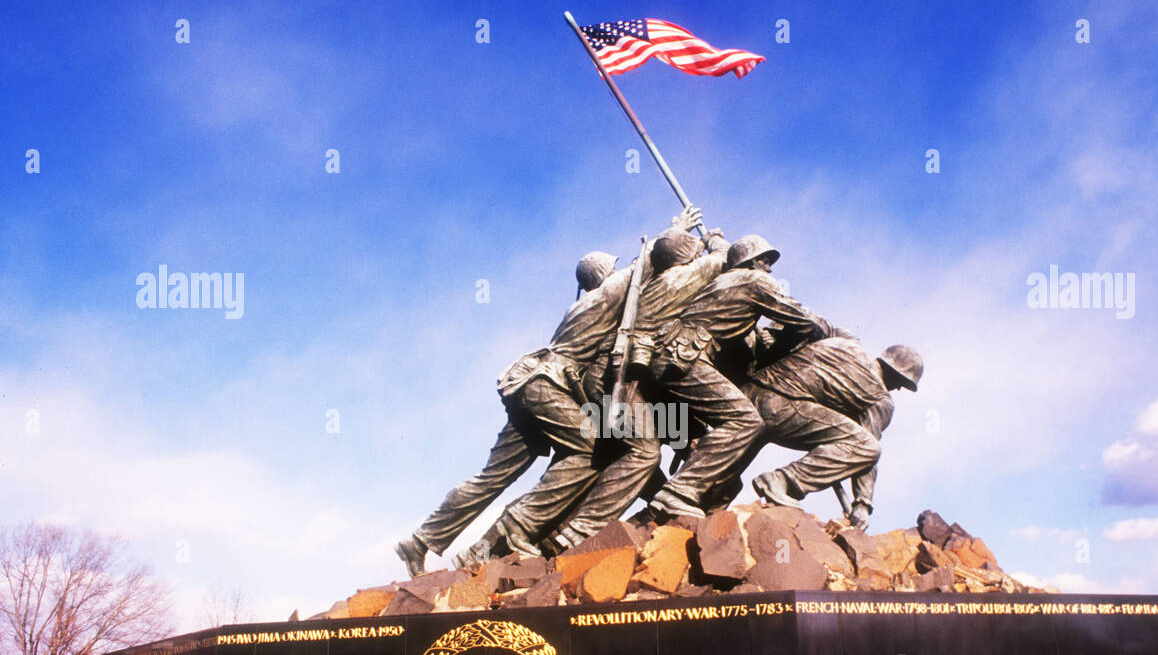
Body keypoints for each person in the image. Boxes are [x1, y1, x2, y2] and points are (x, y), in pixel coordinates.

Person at [394, 207, 702, 575]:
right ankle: (519, 526)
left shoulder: (582, 304)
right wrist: (675, 231)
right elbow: (645, 266)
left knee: (492, 477)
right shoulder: (607, 294)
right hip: (545, 384)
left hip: (526, 383)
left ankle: (421, 540)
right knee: (590, 448)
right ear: (605, 275)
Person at [641, 234, 844, 519]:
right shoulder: (756, 281)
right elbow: (803, 321)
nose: (770, 269)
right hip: (684, 358)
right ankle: (679, 492)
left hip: (674, 355)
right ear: (752, 262)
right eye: (765, 261)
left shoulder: (723, 280)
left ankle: (684, 501)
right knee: (746, 421)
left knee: (722, 435)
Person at [745, 339, 923, 530]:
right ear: (896, 373)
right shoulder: (879, 397)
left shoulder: (846, 345)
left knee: (720, 488)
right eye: (902, 383)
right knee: (868, 447)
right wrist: (863, 504)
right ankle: (783, 480)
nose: (897, 388)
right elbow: (866, 448)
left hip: (748, 395)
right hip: (782, 410)